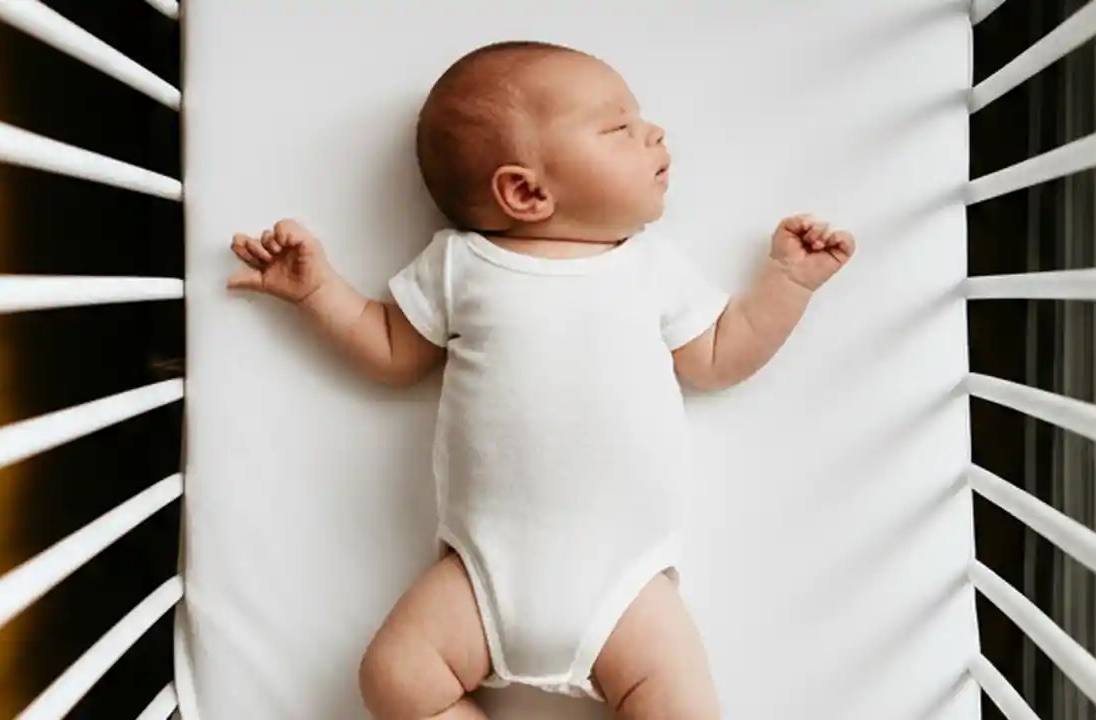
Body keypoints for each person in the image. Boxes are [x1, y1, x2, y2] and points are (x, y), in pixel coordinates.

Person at [228, 40, 854, 720]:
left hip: (627, 584)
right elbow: (390, 350)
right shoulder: (460, 265)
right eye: (618, 127)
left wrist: (787, 285)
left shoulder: (652, 267)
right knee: (395, 677)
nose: (654, 132)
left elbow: (719, 356)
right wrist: (318, 292)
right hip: (482, 575)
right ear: (526, 191)